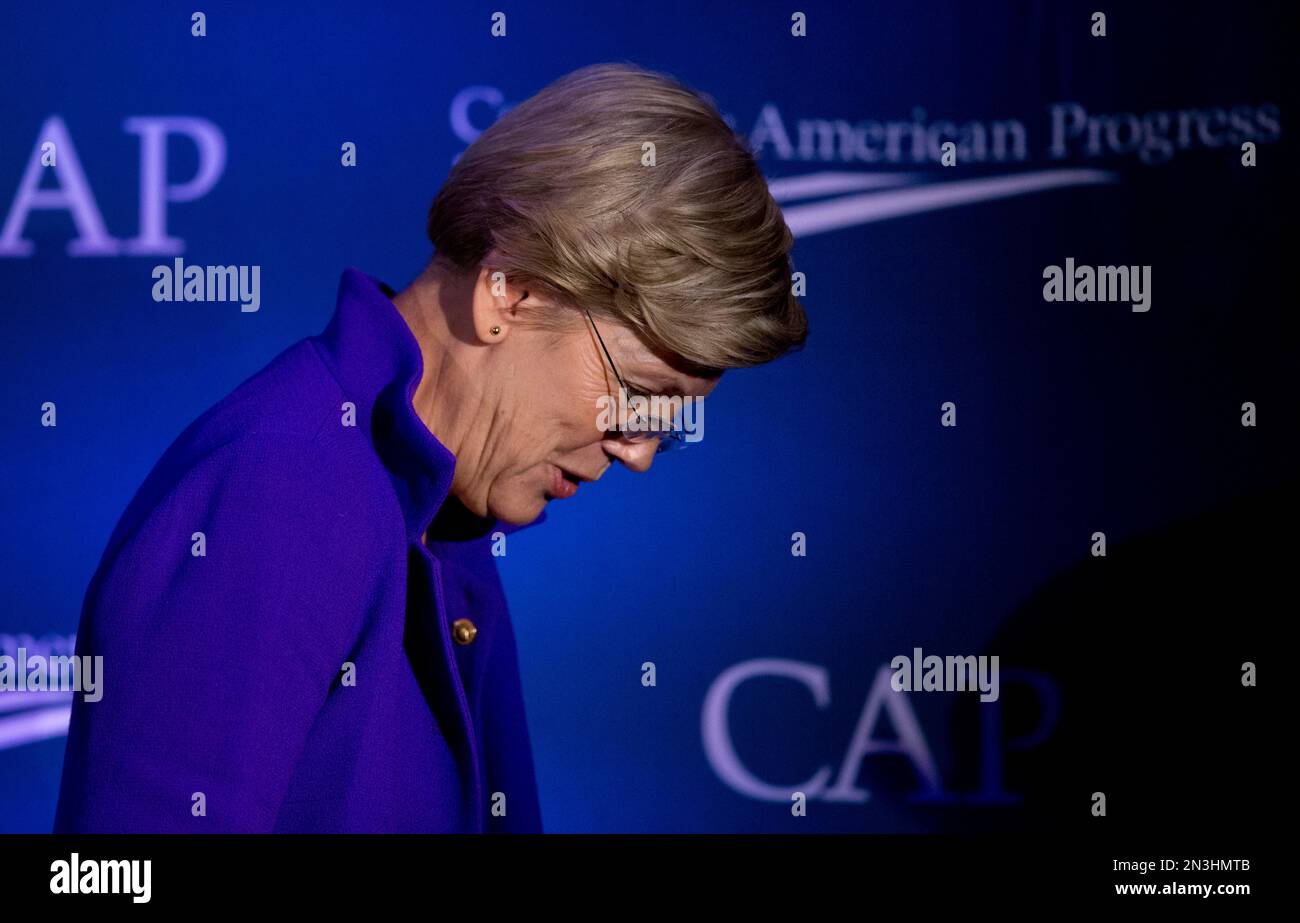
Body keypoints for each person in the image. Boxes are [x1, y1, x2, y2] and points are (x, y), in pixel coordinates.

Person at [53, 62, 808, 833]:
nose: (639, 451)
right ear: (511, 291)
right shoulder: (283, 489)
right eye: (639, 394)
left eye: (669, 424)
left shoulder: (435, 512)